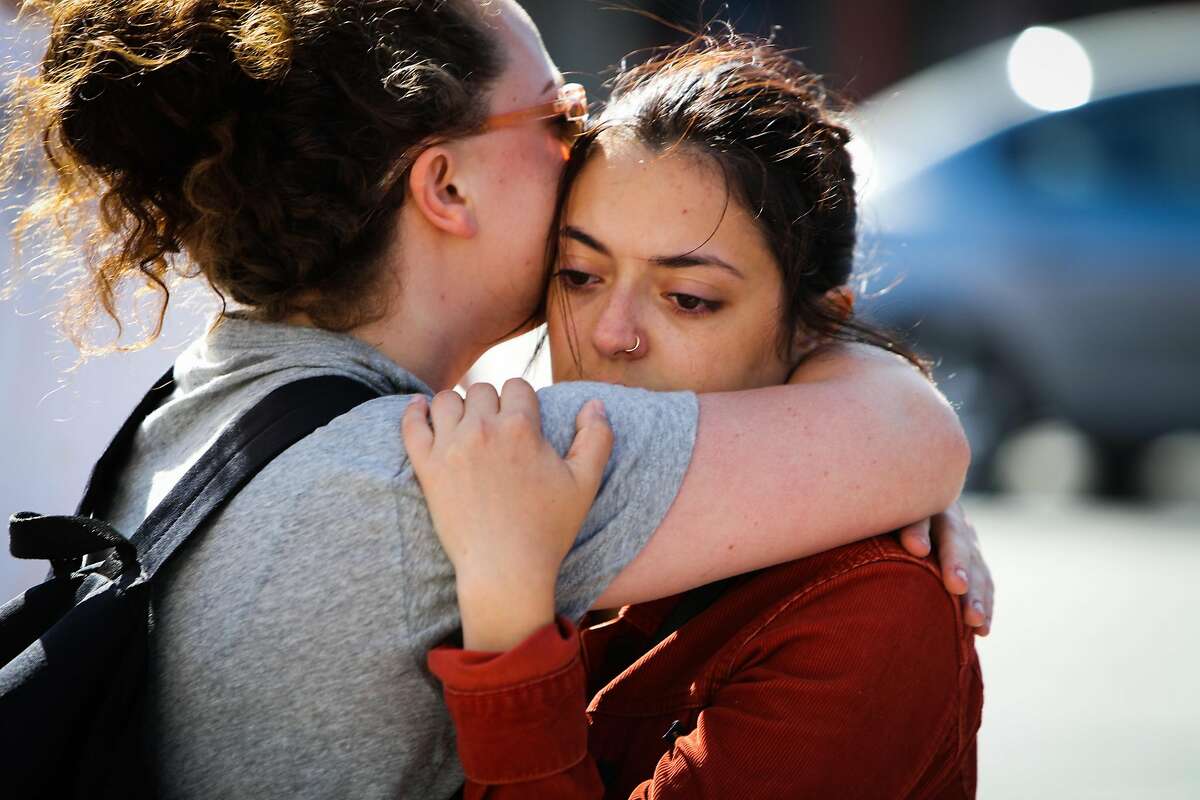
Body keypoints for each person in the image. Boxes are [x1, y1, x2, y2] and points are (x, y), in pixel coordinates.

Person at [1, 1, 987, 797]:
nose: (581, 150)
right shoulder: (454, 470)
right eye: (560, 115)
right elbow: (915, 440)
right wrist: (865, 405)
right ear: (448, 188)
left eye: (687, 295)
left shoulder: (205, 394)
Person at [411, 33, 984, 798]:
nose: (612, 333)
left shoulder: (873, 606)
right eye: (579, 275)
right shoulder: (511, 479)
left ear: (816, 327)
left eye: (689, 299)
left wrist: (511, 620)